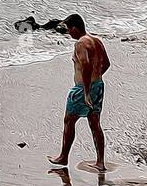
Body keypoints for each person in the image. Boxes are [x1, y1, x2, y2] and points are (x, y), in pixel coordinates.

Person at [47, 14, 111, 172]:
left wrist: (86, 91)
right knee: (95, 123)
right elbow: (107, 63)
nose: (69, 33)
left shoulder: (81, 43)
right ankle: (100, 162)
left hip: (83, 88)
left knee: (69, 120)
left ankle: (63, 157)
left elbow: (86, 65)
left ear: (75, 28)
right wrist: (96, 80)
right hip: (99, 85)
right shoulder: (97, 40)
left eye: (69, 30)